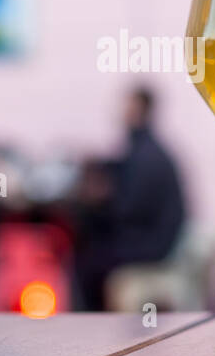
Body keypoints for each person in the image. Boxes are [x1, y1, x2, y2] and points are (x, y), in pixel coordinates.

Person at [74, 87, 186, 309]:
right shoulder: (146, 149)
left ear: (139, 109)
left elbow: (128, 210)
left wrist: (97, 202)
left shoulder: (147, 156)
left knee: (87, 263)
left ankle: (89, 325)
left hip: (151, 246)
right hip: (152, 240)